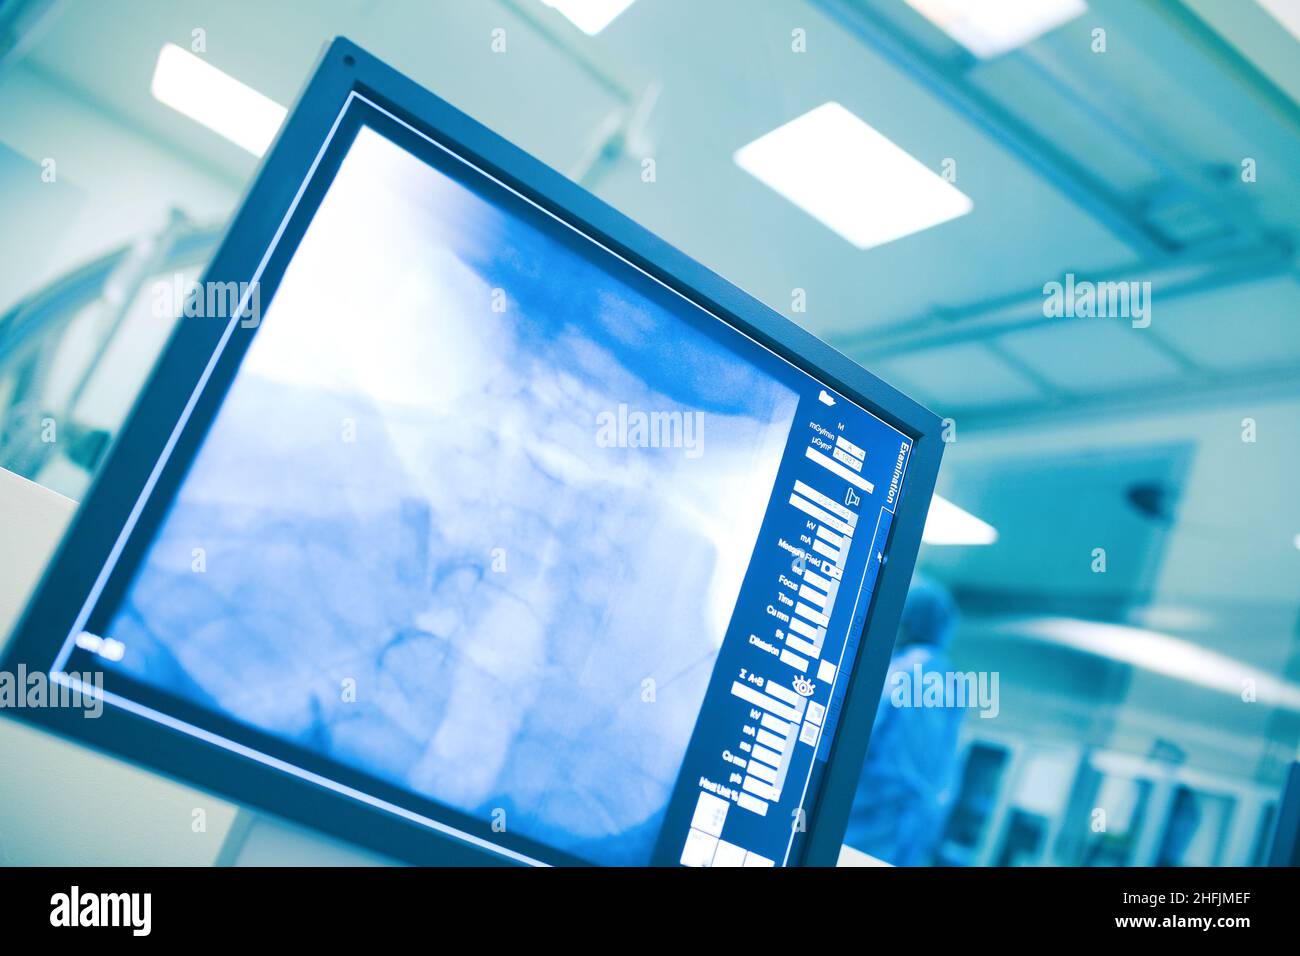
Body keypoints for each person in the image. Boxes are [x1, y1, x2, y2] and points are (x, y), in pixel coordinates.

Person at [843, 575, 963, 865]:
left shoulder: (901, 671)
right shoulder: (954, 685)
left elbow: (854, 738)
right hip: (906, 835)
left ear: (904, 620)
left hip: (864, 817)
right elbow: (949, 773)